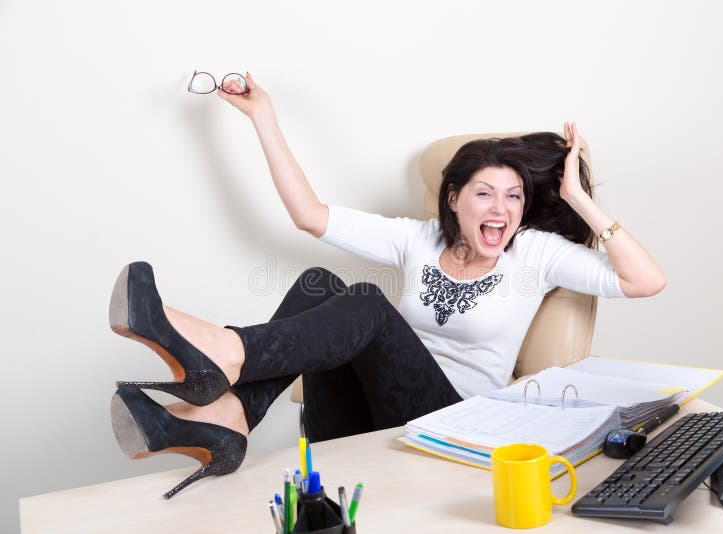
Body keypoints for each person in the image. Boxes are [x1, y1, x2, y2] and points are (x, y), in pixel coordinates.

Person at [109, 74, 666, 499]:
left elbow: (646, 280)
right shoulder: (418, 240)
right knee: (317, 282)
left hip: (456, 422)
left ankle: (226, 357)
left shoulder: (537, 254)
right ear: (453, 198)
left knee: (368, 306)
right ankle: (229, 420)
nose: (500, 209)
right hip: (370, 417)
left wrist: (578, 199)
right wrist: (262, 115)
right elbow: (309, 214)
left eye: (514, 196)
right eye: (484, 193)